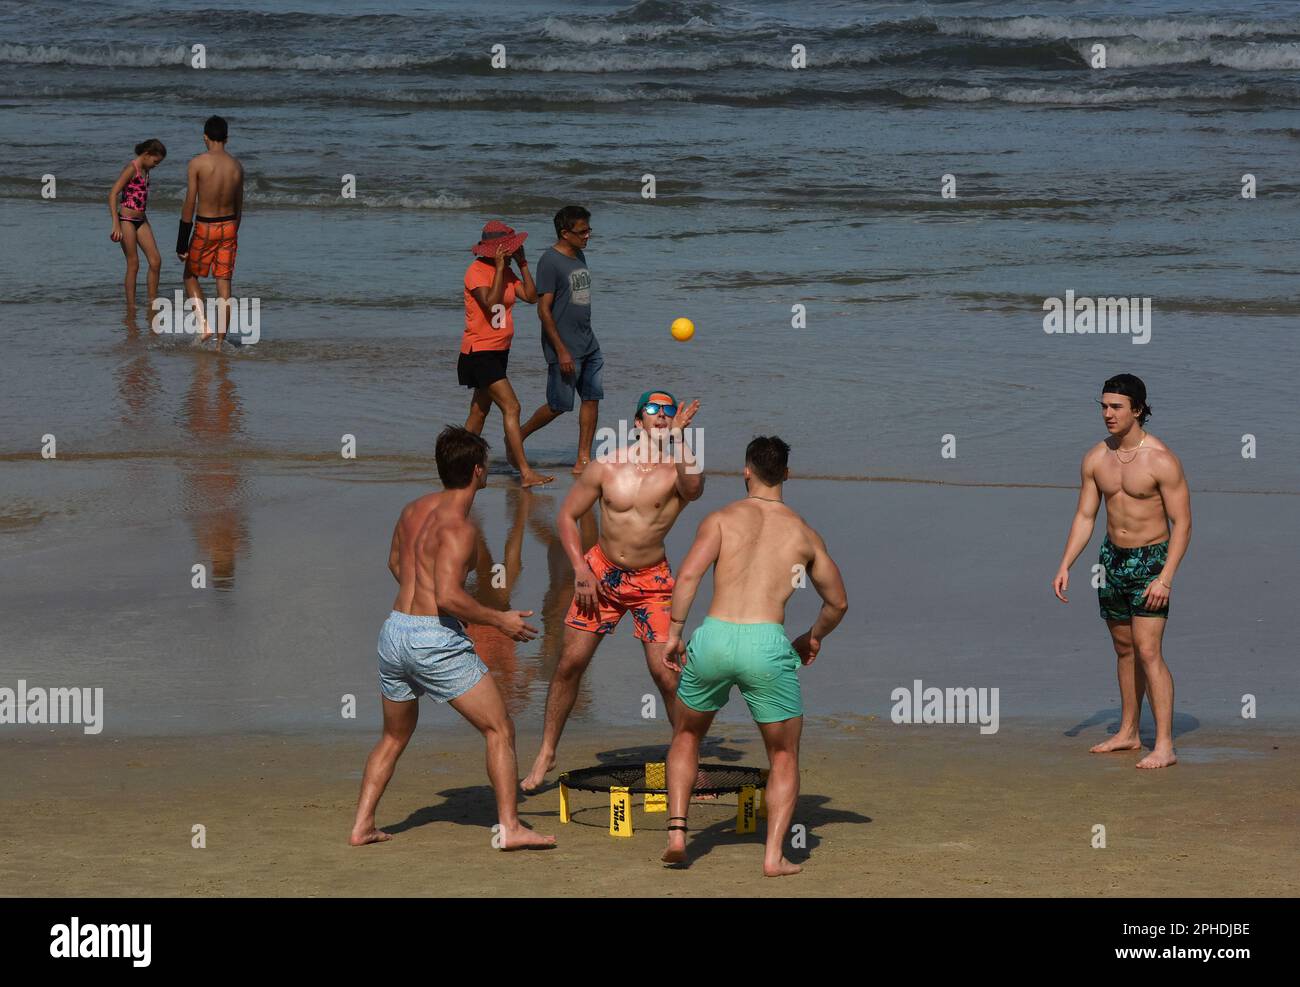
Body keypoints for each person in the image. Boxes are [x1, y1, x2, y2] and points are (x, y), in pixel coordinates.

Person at [349, 426, 555, 850]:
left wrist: (418, 600)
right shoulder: (459, 529)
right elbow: (449, 596)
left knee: (393, 736)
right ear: (479, 471)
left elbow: (394, 562)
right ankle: (510, 827)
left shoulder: (411, 510)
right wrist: (500, 620)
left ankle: (362, 825)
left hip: (394, 631)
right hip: (432, 639)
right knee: (499, 728)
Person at [659, 436, 847, 876]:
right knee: (782, 756)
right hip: (767, 643)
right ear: (787, 474)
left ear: (745, 471)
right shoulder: (804, 533)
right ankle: (773, 856)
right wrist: (812, 637)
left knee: (686, 737)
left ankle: (677, 836)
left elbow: (687, 575)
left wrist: (674, 633)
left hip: (715, 637)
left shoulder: (721, 519)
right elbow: (837, 602)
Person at [520, 390, 703, 791]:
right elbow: (567, 516)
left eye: (667, 411)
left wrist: (679, 438)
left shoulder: (677, 471)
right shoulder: (606, 467)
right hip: (600, 574)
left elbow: (694, 489)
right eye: (651, 410)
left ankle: (687, 755)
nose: (659, 416)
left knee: (666, 674)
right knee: (569, 664)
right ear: (638, 423)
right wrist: (580, 568)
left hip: (652, 581)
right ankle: (546, 751)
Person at [1053, 374, 1190, 769]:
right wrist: (1065, 564)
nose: (1107, 414)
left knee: (1149, 651)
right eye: (1103, 406)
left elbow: (1183, 525)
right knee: (1124, 649)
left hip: (1151, 563)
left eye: (1115, 407)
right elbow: (1085, 516)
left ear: (1138, 409)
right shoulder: (1096, 458)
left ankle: (1164, 744)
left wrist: (1166, 577)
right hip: (1112, 561)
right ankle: (1129, 731)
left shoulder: (1161, 460)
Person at [459, 221, 551, 488]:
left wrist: (522, 264)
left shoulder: (510, 272)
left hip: (499, 352)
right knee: (512, 407)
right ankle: (525, 472)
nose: (515, 250)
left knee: (479, 412)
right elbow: (490, 303)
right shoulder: (475, 271)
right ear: (496, 250)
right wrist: (500, 268)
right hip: (479, 352)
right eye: (511, 248)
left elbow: (532, 297)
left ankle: (460, 465)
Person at [519, 205, 602, 473]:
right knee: (559, 405)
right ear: (565, 233)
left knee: (591, 398)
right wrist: (561, 351)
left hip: (589, 343)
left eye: (589, 230)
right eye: (582, 231)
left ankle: (583, 460)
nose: (587, 235)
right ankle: (517, 436)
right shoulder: (549, 261)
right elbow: (543, 310)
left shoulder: (579, 254)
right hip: (565, 347)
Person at [177, 115, 244, 348]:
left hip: (205, 225)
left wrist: (181, 242)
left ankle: (204, 326)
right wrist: (233, 232)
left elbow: (189, 204)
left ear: (205, 137)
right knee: (224, 284)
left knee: (189, 275)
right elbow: (239, 207)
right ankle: (220, 343)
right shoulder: (237, 166)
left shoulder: (198, 163)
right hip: (229, 226)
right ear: (227, 138)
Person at [108, 139, 166, 310]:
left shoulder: (146, 169)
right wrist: (116, 224)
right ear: (147, 154)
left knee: (156, 261)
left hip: (141, 220)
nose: (156, 165)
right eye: (156, 161)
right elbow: (112, 194)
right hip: (126, 220)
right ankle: (131, 307)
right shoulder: (131, 168)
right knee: (134, 263)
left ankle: (152, 303)